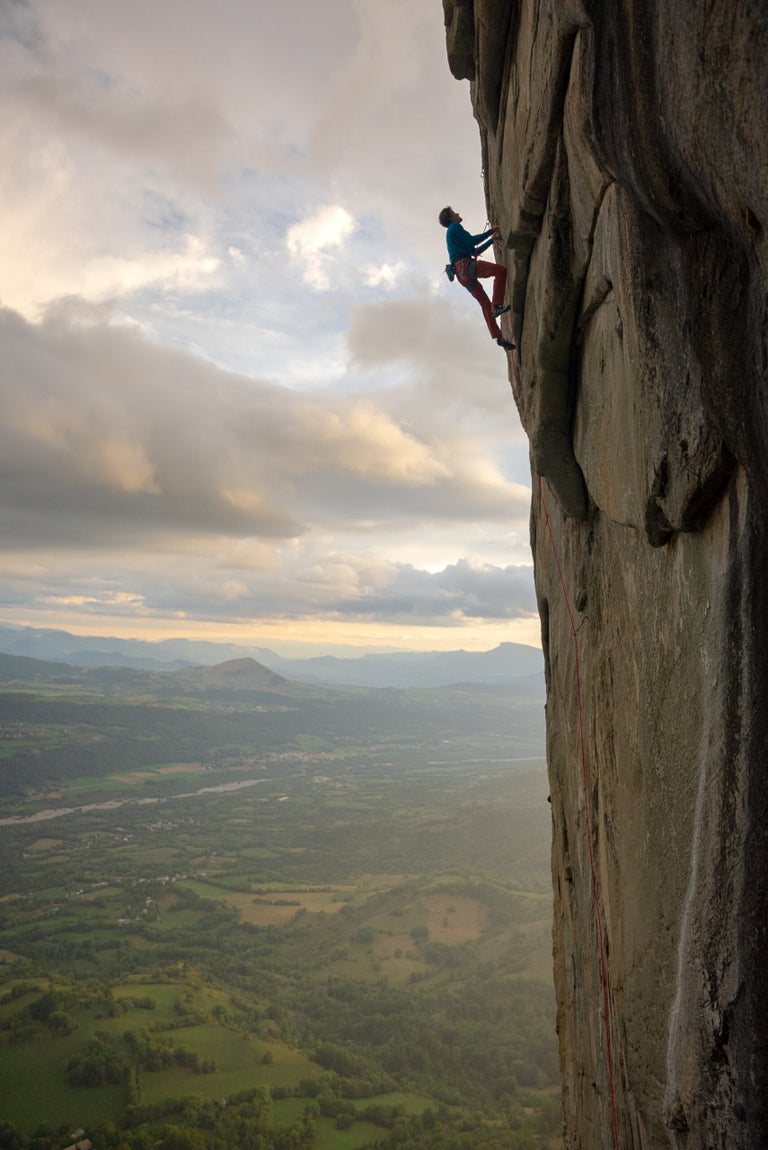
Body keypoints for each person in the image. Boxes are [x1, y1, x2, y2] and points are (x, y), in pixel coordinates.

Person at [438, 206, 514, 350]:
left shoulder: (452, 234)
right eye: (454, 212)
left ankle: (499, 337)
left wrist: (491, 241)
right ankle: (497, 306)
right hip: (465, 266)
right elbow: (472, 241)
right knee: (500, 271)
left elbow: (473, 250)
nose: (458, 213)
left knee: (485, 304)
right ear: (450, 217)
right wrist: (492, 231)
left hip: (461, 275)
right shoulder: (454, 227)